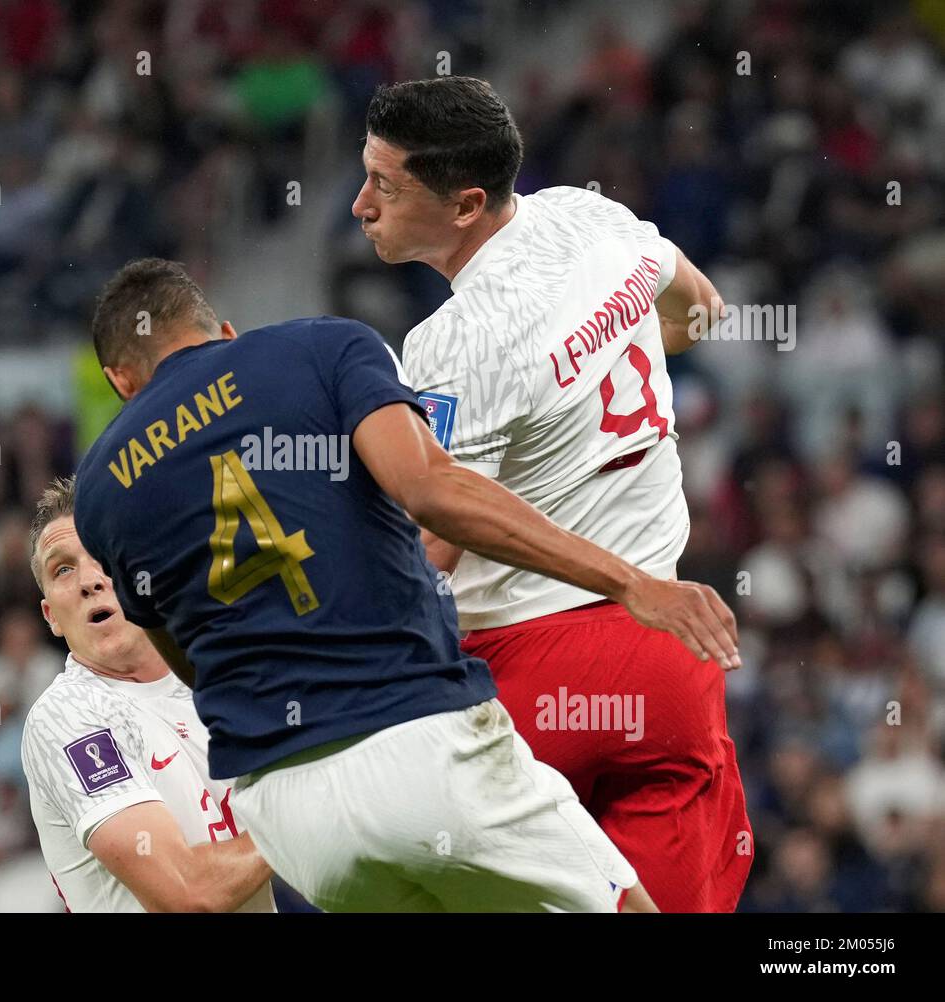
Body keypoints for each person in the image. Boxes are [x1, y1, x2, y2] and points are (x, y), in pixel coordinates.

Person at [73, 257, 739, 911]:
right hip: (420, 745)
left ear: (118, 380)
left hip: (291, 818)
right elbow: (432, 491)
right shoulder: (320, 346)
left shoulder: (99, 491)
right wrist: (628, 583)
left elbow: (190, 664)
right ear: (223, 332)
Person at [351, 76, 753, 912]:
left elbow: (437, 536)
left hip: (527, 683)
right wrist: (597, 374)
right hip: (669, 659)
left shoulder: (452, 343)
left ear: (464, 205)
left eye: (384, 185)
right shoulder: (590, 215)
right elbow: (702, 308)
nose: (360, 204)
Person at [20, 476, 274, 913]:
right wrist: (305, 814)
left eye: (100, 556)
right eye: (62, 569)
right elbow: (187, 893)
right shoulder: (66, 716)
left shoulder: (217, 681)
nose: (88, 581)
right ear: (51, 616)